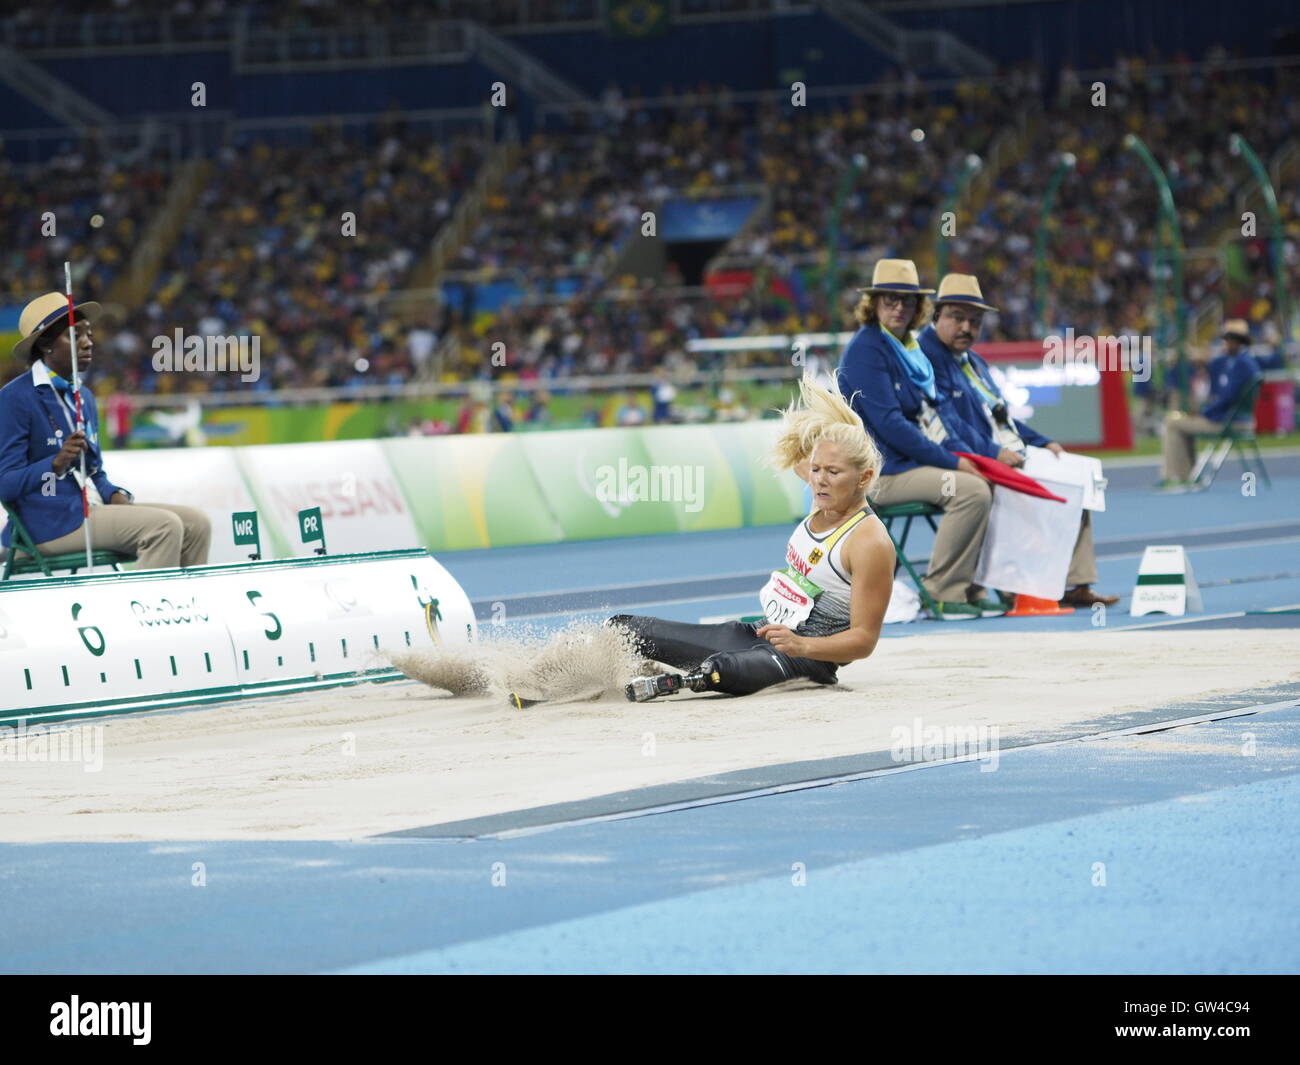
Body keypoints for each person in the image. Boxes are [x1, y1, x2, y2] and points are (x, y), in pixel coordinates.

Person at [609, 375, 896, 702]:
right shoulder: (826, 494)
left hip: (804, 660)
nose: (819, 481)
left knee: (721, 669)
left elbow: (864, 640)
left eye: (833, 472)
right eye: (816, 470)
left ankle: (682, 681)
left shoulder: (869, 541)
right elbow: (810, 456)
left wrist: (802, 644)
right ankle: (562, 675)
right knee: (627, 628)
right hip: (755, 635)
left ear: (865, 478)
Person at [919, 274, 1119, 608]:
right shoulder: (925, 360)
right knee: (1032, 491)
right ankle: (1010, 586)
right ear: (936, 316)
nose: (967, 327)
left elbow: (1003, 417)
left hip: (999, 454)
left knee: (1075, 479)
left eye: (975, 321)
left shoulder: (974, 362)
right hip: (962, 461)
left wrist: (1044, 442)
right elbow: (945, 424)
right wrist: (993, 452)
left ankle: (1074, 584)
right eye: (957, 318)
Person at [835, 259, 1001, 620]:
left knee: (987, 481)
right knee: (971, 491)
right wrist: (953, 461)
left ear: (917, 308)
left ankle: (972, 587)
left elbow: (934, 415)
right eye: (889, 300)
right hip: (880, 475)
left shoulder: (908, 348)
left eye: (906, 301)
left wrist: (971, 454)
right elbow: (892, 425)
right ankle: (941, 591)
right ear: (874, 303)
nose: (898, 307)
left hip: (909, 465)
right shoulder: (868, 348)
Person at [0, 292, 211, 570]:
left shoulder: (84, 396)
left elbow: (95, 471)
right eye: (75, 335)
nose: (88, 342)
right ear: (46, 344)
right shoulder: (16, 397)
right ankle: (140, 610)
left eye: (88, 334)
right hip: (45, 523)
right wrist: (54, 464)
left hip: (91, 509)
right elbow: (5, 483)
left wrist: (113, 493)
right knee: (163, 527)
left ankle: (184, 609)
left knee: (197, 524)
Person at [1159, 319, 1263, 488]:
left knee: (1173, 424)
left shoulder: (1242, 365)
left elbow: (1228, 398)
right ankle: (1188, 474)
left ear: (1237, 342)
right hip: (1232, 419)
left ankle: (1176, 476)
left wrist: (1203, 412)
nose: (1226, 343)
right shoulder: (1237, 362)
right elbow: (1209, 364)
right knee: (1183, 424)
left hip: (1231, 421)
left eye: (1229, 340)